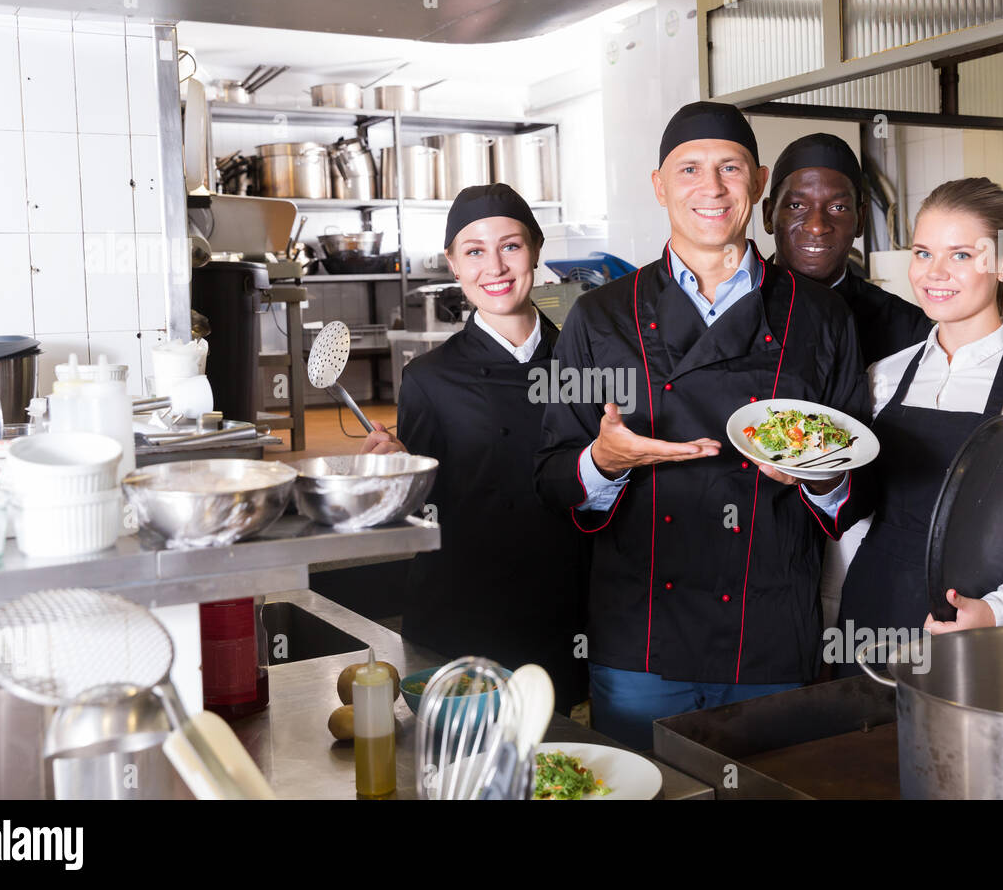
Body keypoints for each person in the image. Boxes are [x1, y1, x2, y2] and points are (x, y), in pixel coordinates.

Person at [534, 101, 870, 750]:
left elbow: (859, 487)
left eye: (730, 168)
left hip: (771, 639)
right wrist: (604, 461)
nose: (711, 188)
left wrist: (820, 475)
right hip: (641, 642)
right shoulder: (598, 317)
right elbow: (552, 476)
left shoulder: (822, 317)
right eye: (689, 168)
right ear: (659, 185)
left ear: (761, 180)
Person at [830, 177, 1003, 653]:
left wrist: (997, 608)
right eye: (923, 252)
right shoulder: (881, 377)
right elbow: (858, 522)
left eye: (961, 255)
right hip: (872, 616)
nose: (935, 273)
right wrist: (834, 613)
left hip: (984, 633)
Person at [375, 183, 591, 711]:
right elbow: (421, 515)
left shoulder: (586, 362)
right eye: (474, 251)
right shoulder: (428, 378)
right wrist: (396, 478)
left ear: (536, 251)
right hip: (466, 614)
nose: (494, 266)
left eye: (511, 246)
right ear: (453, 264)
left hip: (567, 607)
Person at [762, 133, 932, 366]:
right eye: (797, 205)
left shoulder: (907, 328)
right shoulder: (736, 310)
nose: (817, 226)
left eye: (838, 207)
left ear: (860, 220)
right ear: (768, 216)